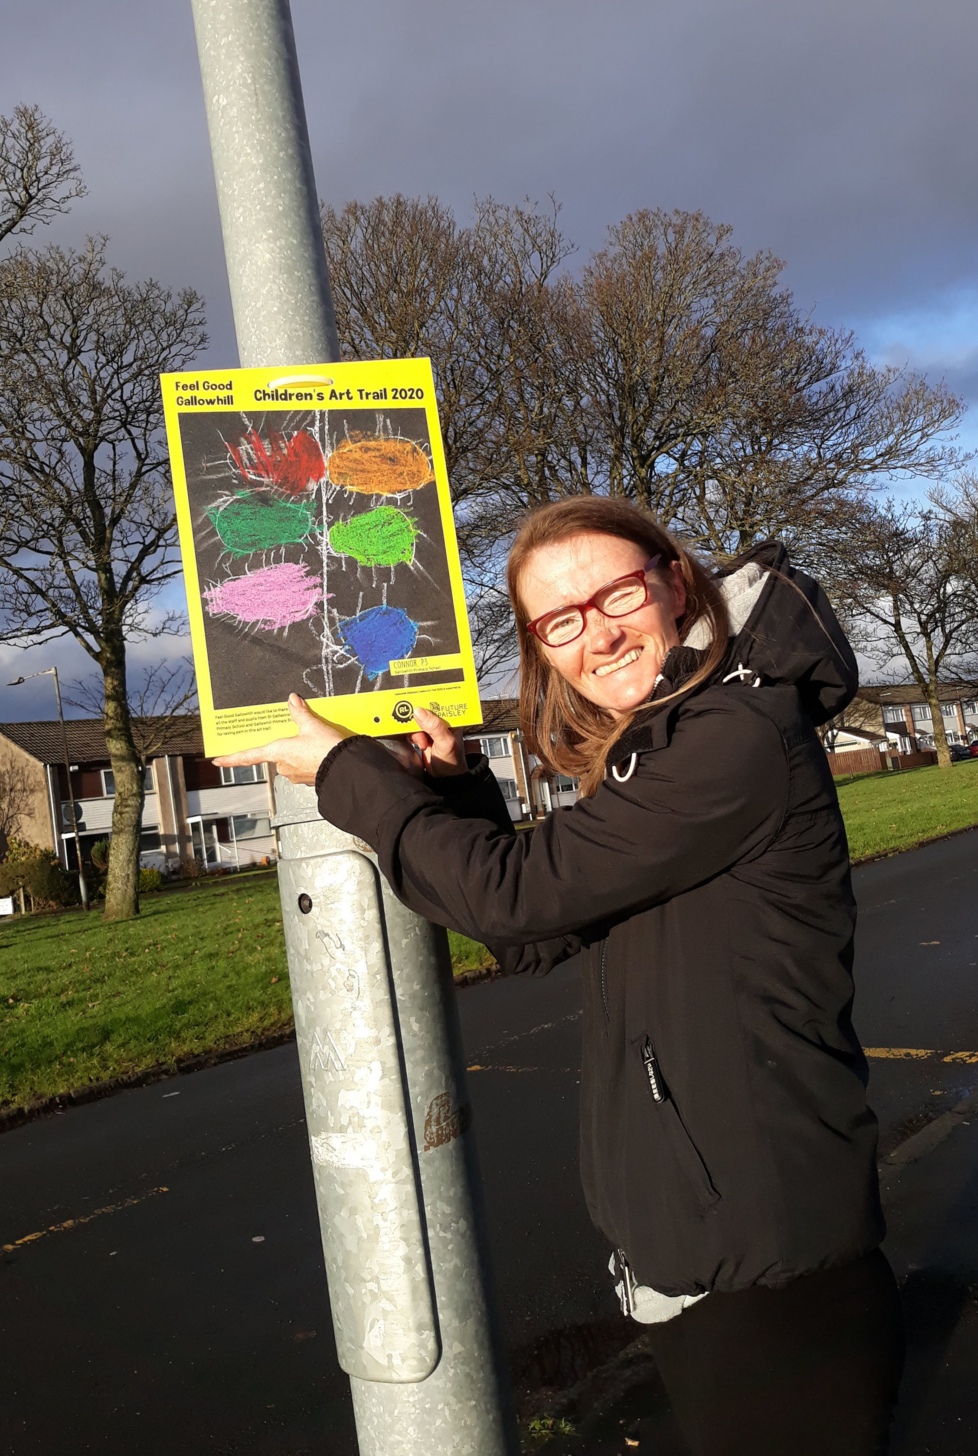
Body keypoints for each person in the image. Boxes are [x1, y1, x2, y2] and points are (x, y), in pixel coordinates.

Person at [216, 495, 904, 1455]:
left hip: (768, 1260)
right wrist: (457, 785)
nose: (599, 634)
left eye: (615, 593)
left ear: (673, 581)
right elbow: (541, 930)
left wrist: (343, 771)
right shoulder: (670, 737)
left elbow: (511, 899)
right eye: (560, 622)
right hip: (710, 1239)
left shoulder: (731, 737)